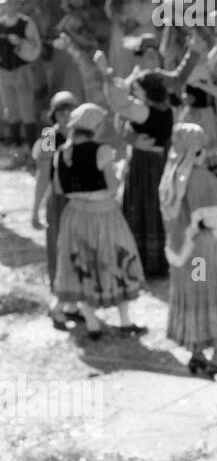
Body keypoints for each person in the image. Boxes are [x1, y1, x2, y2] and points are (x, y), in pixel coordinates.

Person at [52, 103, 147, 339]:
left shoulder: (61, 153)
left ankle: (93, 323)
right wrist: (121, 171)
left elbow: (58, 188)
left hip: (75, 216)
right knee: (116, 259)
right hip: (103, 215)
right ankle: (124, 321)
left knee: (83, 266)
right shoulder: (102, 151)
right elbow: (113, 188)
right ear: (93, 126)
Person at [159, 123, 217, 377]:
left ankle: (197, 352)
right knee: (211, 294)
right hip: (203, 250)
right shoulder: (200, 177)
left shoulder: (169, 176)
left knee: (192, 296)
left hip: (181, 252)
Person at [99, 57, 174, 277]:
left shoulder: (144, 111)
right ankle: (158, 261)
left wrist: (106, 73)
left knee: (142, 207)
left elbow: (117, 103)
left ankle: (141, 262)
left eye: (137, 89)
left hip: (145, 164)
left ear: (148, 92)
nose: (134, 93)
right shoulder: (165, 108)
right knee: (154, 209)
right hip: (158, 162)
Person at [31, 91, 82, 329]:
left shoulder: (81, 133)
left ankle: (73, 303)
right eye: (60, 109)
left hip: (81, 200)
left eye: (69, 108)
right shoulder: (50, 135)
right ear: (54, 113)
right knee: (58, 248)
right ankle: (59, 300)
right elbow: (43, 174)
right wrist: (35, 210)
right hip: (59, 200)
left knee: (79, 248)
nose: (65, 113)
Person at [0, 0, 42, 156]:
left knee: (27, 109)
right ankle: (15, 147)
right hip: (4, 71)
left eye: (12, 2)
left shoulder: (26, 23)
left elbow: (35, 49)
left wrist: (20, 43)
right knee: (11, 109)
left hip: (22, 71)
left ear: (18, 3)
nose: (8, 6)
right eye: (6, 3)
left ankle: (32, 149)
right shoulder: (0, 23)